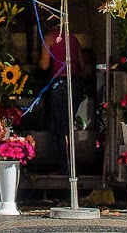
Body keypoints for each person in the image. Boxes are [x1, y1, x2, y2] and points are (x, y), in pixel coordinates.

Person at [39, 14, 87, 177]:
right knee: (69, 126)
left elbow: (44, 65)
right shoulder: (72, 37)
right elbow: (82, 63)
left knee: (61, 129)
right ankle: (72, 166)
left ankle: (64, 169)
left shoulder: (48, 38)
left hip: (60, 85)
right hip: (76, 84)